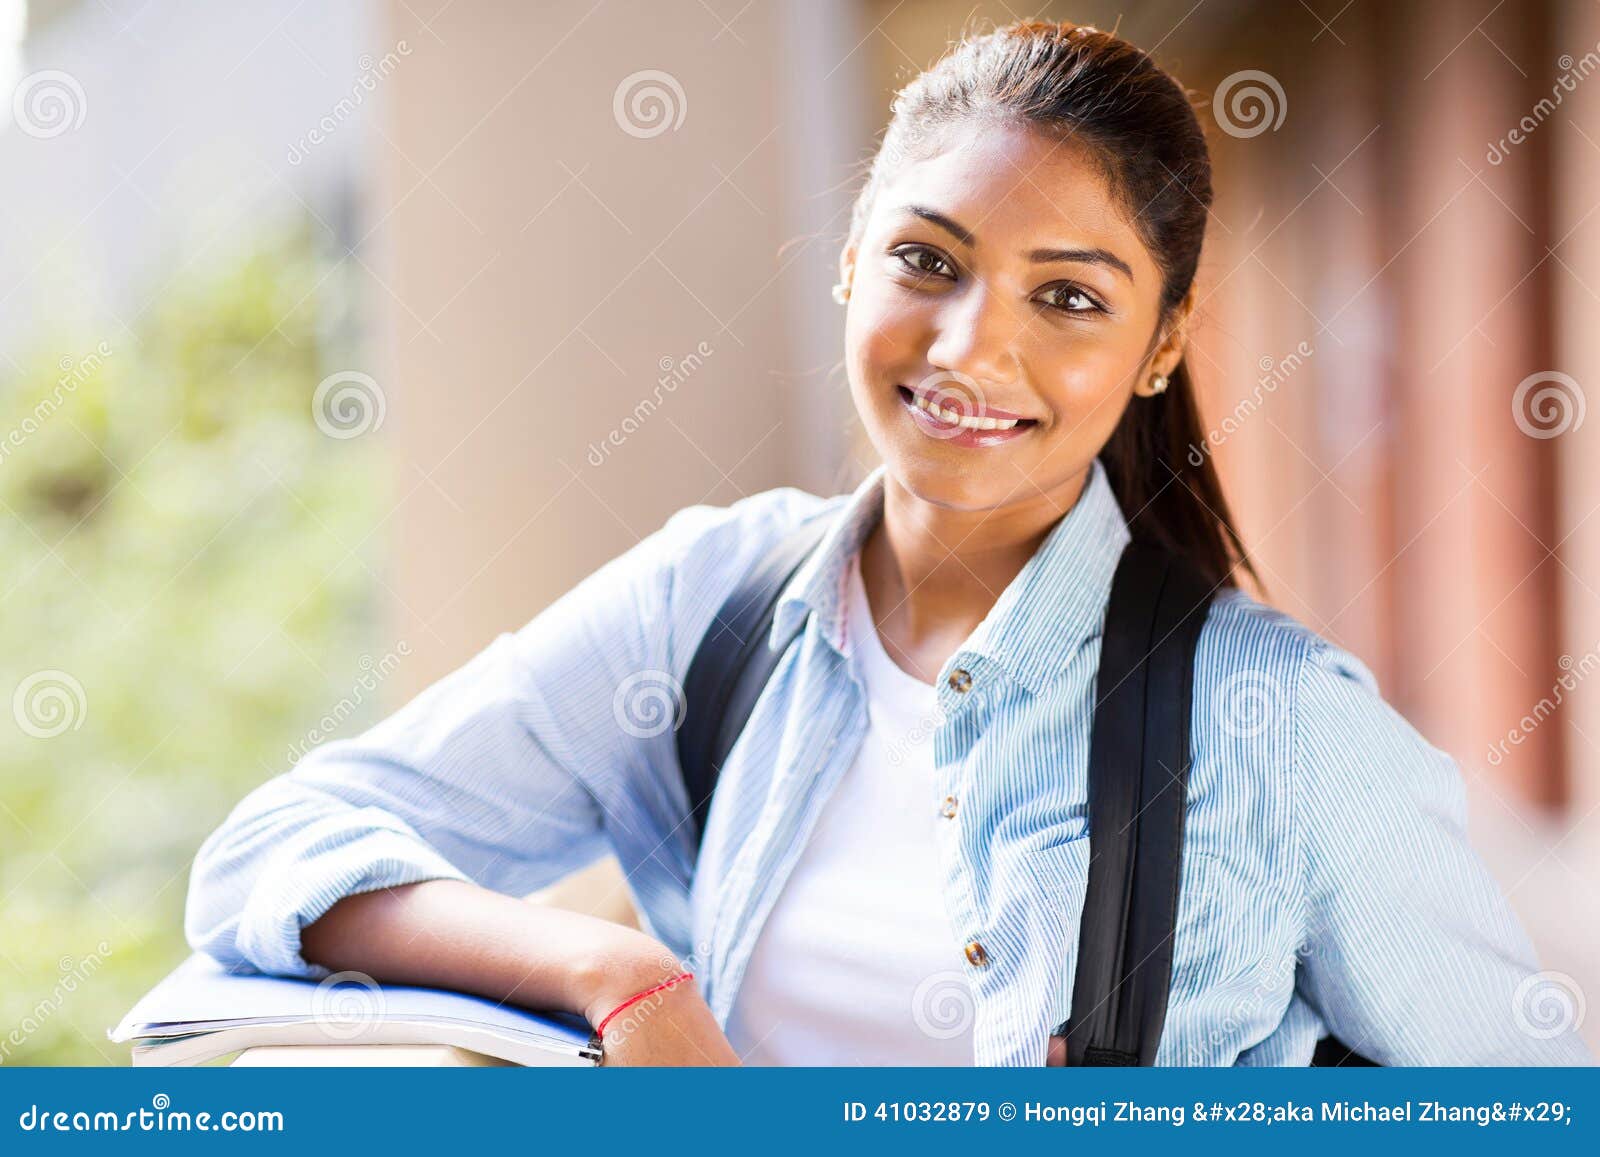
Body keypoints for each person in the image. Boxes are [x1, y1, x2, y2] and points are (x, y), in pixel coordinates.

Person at [183, 19, 1594, 1067]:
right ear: (853, 258)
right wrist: (614, 972)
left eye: (1070, 297)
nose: (976, 348)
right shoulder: (712, 607)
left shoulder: (1282, 724)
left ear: (1162, 346)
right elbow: (270, 850)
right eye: (931, 260)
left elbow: (1518, 1110)